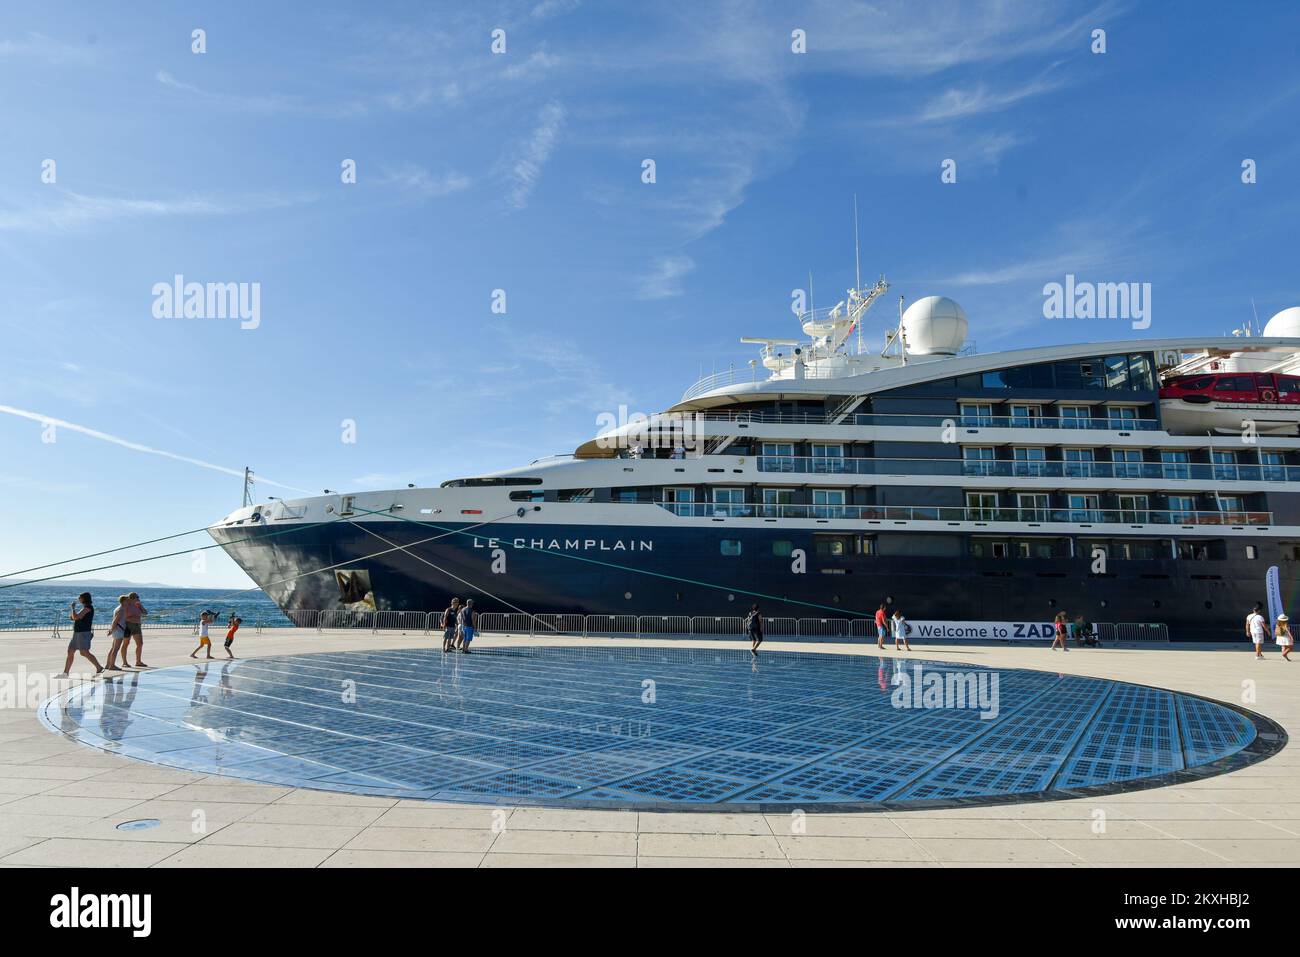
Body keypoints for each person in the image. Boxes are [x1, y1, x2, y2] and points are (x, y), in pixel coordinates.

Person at [57, 592, 103, 678]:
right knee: (70, 651)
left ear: (84, 598)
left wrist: (73, 609)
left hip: (83, 633)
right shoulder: (84, 608)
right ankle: (65, 673)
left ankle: (99, 667)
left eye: (80, 597)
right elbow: (73, 617)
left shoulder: (88, 608)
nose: (79, 599)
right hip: (77, 632)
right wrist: (74, 613)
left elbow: (76, 617)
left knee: (84, 652)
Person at [103, 595, 130, 671]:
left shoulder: (118, 608)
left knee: (113, 648)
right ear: (124, 601)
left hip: (116, 630)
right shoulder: (121, 610)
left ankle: (108, 664)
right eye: (127, 601)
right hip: (119, 631)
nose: (128, 602)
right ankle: (112, 665)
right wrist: (111, 630)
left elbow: (114, 621)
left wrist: (111, 630)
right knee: (115, 649)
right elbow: (115, 621)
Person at [123, 591, 149, 668]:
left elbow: (145, 613)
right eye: (137, 597)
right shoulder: (127, 605)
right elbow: (123, 614)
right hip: (128, 625)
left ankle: (138, 661)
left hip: (137, 625)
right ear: (132, 598)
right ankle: (125, 662)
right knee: (126, 644)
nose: (139, 598)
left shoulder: (138, 605)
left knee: (140, 643)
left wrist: (140, 605)